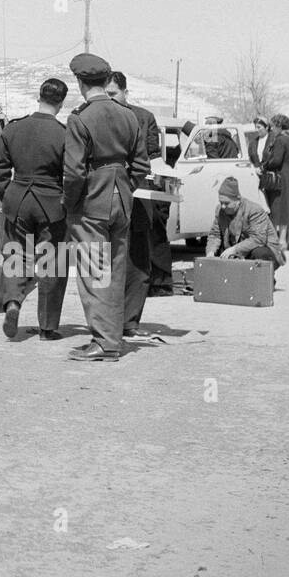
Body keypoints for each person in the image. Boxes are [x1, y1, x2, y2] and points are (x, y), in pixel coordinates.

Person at [62, 53, 150, 362]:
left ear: (80, 81)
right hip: (122, 200)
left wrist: (70, 203)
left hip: (91, 202)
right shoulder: (129, 115)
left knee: (92, 272)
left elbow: (73, 172)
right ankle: (112, 337)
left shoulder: (80, 118)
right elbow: (141, 166)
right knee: (114, 270)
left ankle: (105, 342)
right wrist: (124, 188)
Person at [0, 78, 69, 341]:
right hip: (51, 203)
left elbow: (0, 171)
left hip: (18, 200)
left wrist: (9, 196)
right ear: (61, 102)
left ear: (40, 96)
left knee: (15, 255)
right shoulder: (64, 133)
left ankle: (13, 302)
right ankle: (47, 327)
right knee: (51, 263)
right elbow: (72, 174)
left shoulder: (14, 129)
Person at [106, 70, 173, 310]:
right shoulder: (94, 116)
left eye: (114, 93)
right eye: (106, 94)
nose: (110, 99)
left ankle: (131, 318)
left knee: (138, 259)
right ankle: (109, 316)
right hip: (106, 198)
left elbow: (154, 157)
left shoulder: (144, 118)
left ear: (125, 92)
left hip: (139, 197)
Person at [206, 176, 286, 273]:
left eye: (227, 203)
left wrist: (234, 249)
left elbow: (258, 239)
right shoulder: (220, 210)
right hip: (238, 249)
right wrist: (210, 252)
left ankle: (264, 281)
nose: (223, 206)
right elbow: (215, 235)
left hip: (264, 251)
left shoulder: (254, 210)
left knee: (260, 253)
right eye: (221, 202)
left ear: (237, 200)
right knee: (214, 254)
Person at [260, 113, 289, 249]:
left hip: (281, 177)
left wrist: (265, 164)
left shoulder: (279, 140)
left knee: (281, 209)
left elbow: (276, 161)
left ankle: (281, 241)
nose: (271, 129)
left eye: (273, 126)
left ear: (279, 126)